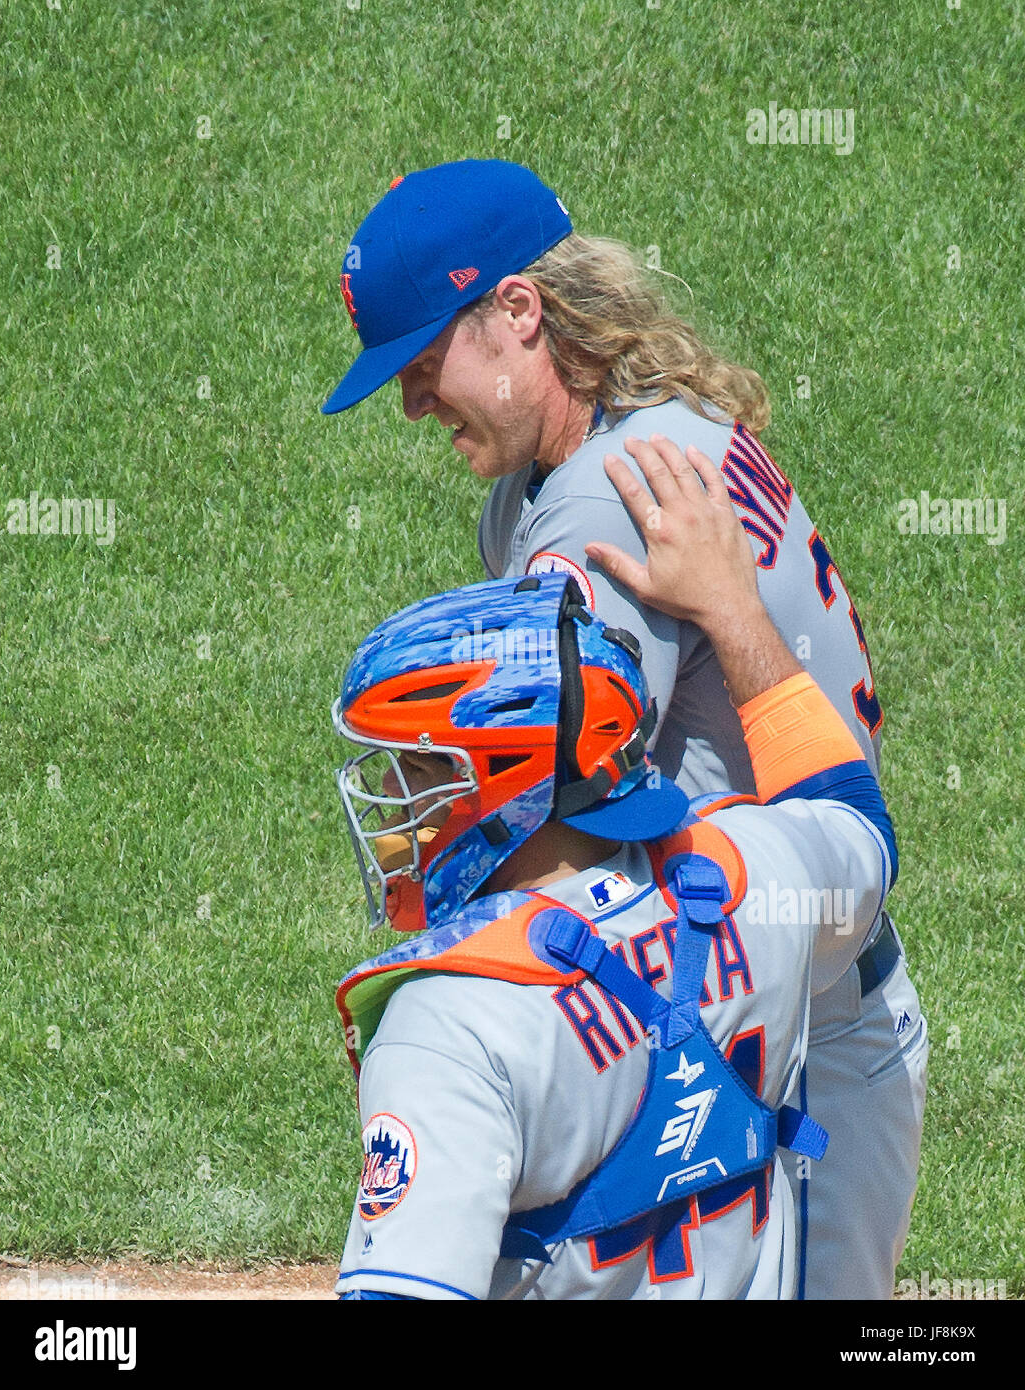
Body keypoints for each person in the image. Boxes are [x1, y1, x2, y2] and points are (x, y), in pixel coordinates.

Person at [320, 159, 927, 1299]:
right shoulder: (641, 427)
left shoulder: (603, 498)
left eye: (417, 361)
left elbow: (535, 774)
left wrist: (443, 997)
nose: (407, 400)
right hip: (764, 946)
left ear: (517, 313)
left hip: (777, 1031)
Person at [332, 446, 895, 1300]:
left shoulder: (448, 1028)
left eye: (414, 772)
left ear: (501, 786)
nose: (390, 810)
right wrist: (734, 609)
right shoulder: (756, 878)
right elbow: (855, 819)